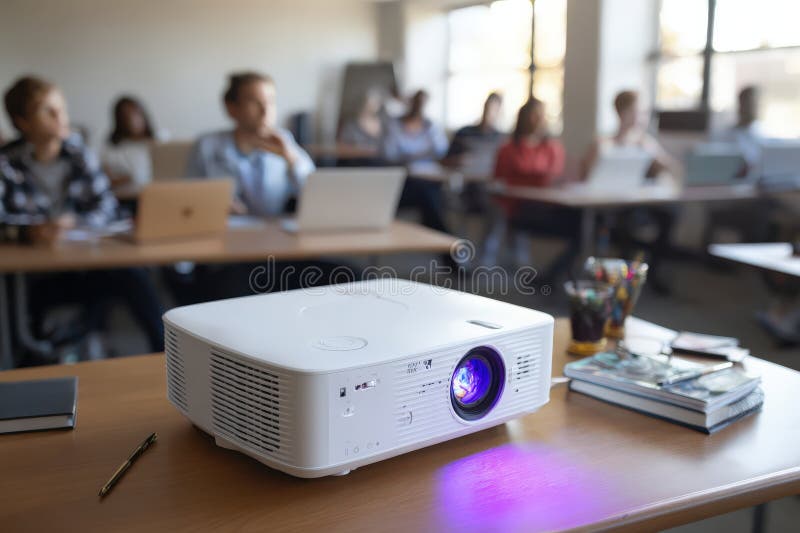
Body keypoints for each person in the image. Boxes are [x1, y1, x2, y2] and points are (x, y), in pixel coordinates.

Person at [0, 76, 164, 361]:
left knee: (133, 274)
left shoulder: (79, 153)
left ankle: (164, 353)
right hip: (33, 277)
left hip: (85, 265)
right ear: (23, 122)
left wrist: (73, 223)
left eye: (61, 108)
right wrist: (30, 233)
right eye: (47, 111)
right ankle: (30, 365)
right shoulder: (5, 163)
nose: (60, 117)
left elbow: (107, 207)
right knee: (21, 312)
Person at [581, 90, 680, 293]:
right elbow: (586, 177)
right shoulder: (604, 142)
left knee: (671, 214)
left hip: (636, 205)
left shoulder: (644, 142)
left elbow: (671, 169)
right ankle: (622, 278)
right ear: (621, 112)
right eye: (636, 111)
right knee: (626, 224)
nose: (640, 117)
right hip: (609, 207)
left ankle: (652, 273)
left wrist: (655, 158)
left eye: (643, 112)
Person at [187, 71, 315, 217]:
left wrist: (291, 159)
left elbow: (317, 192)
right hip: (222, 229)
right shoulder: (206, 146)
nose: (265, 110)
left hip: (271, 232)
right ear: (231, 107)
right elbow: (187, 198)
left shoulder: (284, 142)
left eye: (271, 101)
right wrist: (213, 206)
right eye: (255, 102)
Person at [483, 98, 577, 281]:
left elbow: (554, 177)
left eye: (541, 116)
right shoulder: (508, 148)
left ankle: (551, 277)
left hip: (548, 205)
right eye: (533, 115)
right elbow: (499, 179)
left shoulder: (552, 147)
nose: (538, 120)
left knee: (583, 226)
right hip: (517, 206)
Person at [380, 90, 450, 233]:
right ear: (410, 103)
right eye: (417, 102)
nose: (419, 107)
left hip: (431, 178)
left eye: (423, 103)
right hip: (404, 180)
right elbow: (388, 154)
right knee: (428, 197)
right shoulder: (394, 125)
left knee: (432, 196)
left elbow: (441, 151)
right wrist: (419, 156)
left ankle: (443, 241)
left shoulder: (431, 127)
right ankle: (446, 242)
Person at [101, 96, 159, 196]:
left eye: (136, 114)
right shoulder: (111, 149)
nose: (133, 120)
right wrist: (128, 178)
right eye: (126, 116)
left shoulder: (159, 143)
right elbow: (104, 181)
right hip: (126, 199)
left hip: (157, 195)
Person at [339, 88, 383, 152]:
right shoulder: (351, 124)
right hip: (357, 158)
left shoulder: (383, 123)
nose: (371, 107)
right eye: (368, 104)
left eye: (375, 103)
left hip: (379, 159)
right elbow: (343, 144)